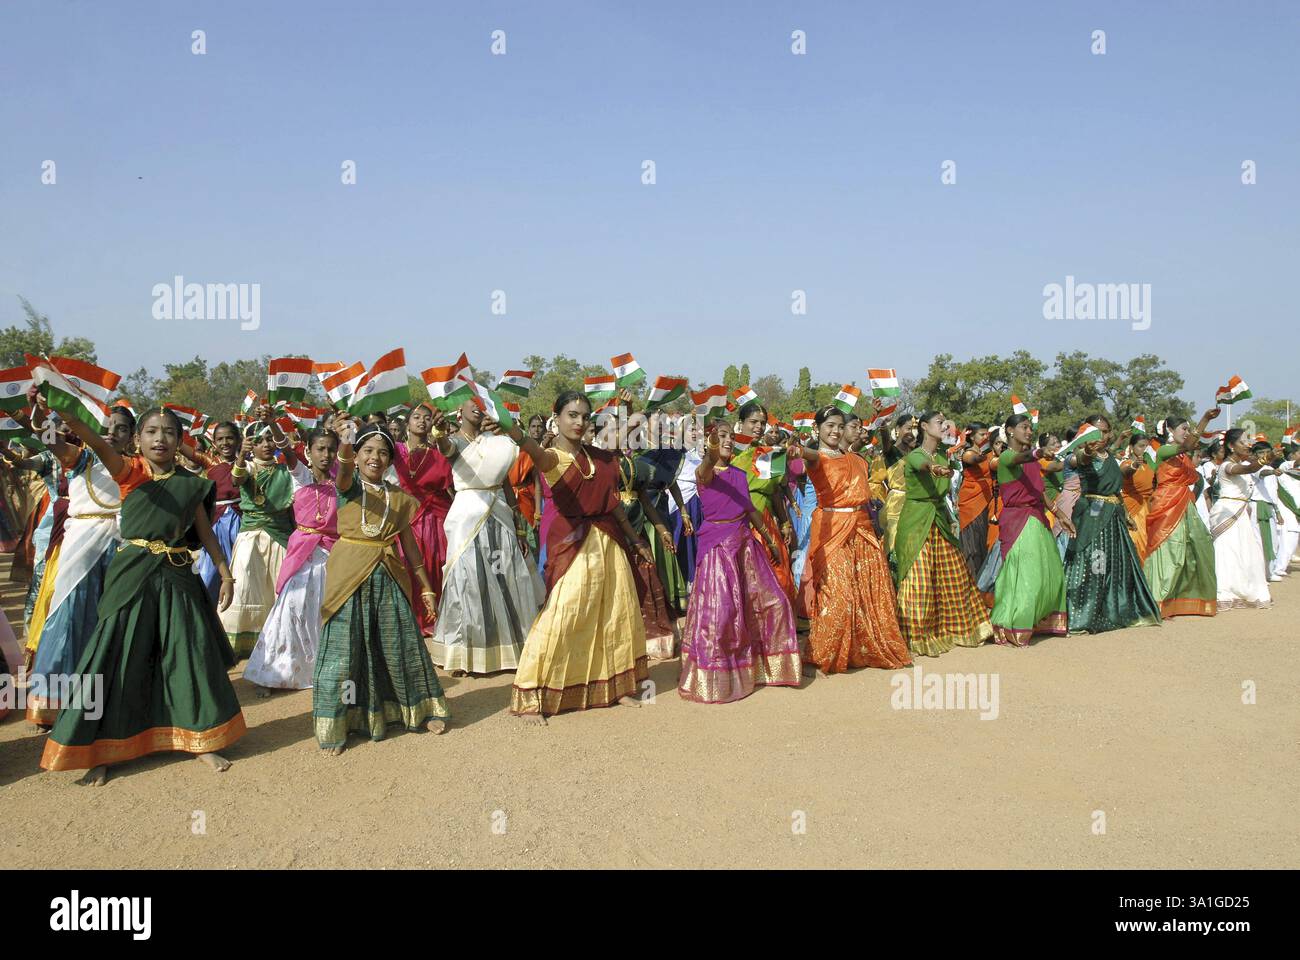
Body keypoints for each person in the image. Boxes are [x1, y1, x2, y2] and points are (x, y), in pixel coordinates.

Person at [36, 402, 245, 785]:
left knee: (186, 656)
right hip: (132, 575)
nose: (160, 439)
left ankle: (199, 739)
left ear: (181, 440)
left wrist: (226, 574)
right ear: (137, 440)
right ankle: (100, 749)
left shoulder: (191, 483)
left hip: (178, 576)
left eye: (168, 432)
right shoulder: (129, 471)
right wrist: (67, 417)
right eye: (151, 432)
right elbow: (97, 444)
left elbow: (206, 532)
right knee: (118, 657)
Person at [506, 391, 654, 720]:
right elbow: (531, 450)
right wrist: (513, 431)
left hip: (609, 545)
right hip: (571, 545)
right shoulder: (551, 457)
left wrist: (636, 541)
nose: (579, 422)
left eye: (584, 416)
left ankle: (616, 686)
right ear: (555, 417)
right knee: (562, 613)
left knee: (615, 616)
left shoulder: (598, 457)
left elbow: (613, 504)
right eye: (571, 415)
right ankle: (533, 692)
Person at [313, 417, 450, 754]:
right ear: (357, 456)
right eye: (368, 451)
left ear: (391, 460)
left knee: (401, 645)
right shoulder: (346, 488)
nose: (375, 457)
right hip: (348, 578)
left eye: (384, 453)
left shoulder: (399, 498)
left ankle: (419, 709)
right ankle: (342, 719)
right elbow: (343, 472)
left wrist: (427, 588)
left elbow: (411, 548)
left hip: (388, 574)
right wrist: (344, 443)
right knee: (347, 653)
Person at [23, 404, 133, 724]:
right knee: (70, 616)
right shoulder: (81, 457)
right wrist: (38, 414)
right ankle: (54, 707)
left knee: (112, 620)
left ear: (132, 437)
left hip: (121, 544)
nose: (112, 432)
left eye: (121, 428)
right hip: (80, 544)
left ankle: (110, 701)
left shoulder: (137, 465)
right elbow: (48, 440)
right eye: (107, 426)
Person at [678, 421, 800, 702]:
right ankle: (716, 677)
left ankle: (765, 668)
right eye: (722, 437)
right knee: (722, 614)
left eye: (731, 436)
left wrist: (770, 540)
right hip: (718, 547)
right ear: (710, 441)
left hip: (745, 542)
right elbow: (707, 464)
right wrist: (710, 450)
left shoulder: (739, 474)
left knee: (773, 602)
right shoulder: (705, 474)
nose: (729, 440)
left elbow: (749, 510)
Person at [789, 406, 911, 673]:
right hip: (831, 529)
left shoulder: (857, 460)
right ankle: (824, 652)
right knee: (839, 592)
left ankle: (859, 650)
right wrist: (797, 450)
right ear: (817, 430)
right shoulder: (817, 457)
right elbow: (807, 454)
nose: (834, 430)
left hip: (862, 529)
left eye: (838, 426)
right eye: (829, 426)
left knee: (869, 593)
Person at [426, 399, 544, 676]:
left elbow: (504, 481)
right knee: (468, 580)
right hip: (468, 515)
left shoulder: (496, 441)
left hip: (499, 511)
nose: (477, 408)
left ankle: (509, 648)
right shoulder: (453, 439)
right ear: (460, 411)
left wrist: (518, 525)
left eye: (480, 404)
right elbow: (446, 450)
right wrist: (439, 433)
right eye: (471, 404)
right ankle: (464, 655)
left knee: (505, 577)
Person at [243, 428, 340, 694]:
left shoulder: (341, 483)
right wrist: (274, 425)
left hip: (331, 552)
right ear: (308, 451)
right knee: (290, 609)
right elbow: (287, 450)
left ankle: (317, 670)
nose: (326, 454)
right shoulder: (301, 477)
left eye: (331, 449)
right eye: (320, 448)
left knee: (323, 610)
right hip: (303, 553)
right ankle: (270, 674)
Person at [893, 411, 993, 655]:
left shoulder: (943, 456)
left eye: (946, 423)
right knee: (919, 578)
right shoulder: (919, 455)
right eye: (940, 423)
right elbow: (922, 464)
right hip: (916, 520)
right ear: (925, 426)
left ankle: (957, 629)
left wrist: (950, 519)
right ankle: (915, 636)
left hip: (938, 517)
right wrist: (934, 469)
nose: (945, 426)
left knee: (954, 575)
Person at [1064, 415, 1161, 632]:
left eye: (1106, 432)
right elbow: (1083, 458)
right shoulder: (1081, 454)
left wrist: (1125, 512)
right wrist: (1088, 449)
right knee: (1096, 562)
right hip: (1093, 515)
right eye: (1097, 432)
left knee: (1115, 564)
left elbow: (1116, 487)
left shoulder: (1110, 456)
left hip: (1113, 516)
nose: (1103, 436)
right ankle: (1087, 613)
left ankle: (1110, 609)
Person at [989, 414, 1074, 646]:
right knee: (1025, 574)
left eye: (1030, 428)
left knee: (1051, 572)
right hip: (1018, 521)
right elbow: (1022, 457)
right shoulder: (1007, 456)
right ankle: (1014, 626)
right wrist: (1037, 453)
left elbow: (1040, 492)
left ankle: (1041, 622)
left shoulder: (1033, 463)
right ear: (1009, 430)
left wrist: (1060, 515)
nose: (1028, 431)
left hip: (1037, 519)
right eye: (1023, 427)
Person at [220, 416, 298, 656]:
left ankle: (279, 646)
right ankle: (240, 650)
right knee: (243, 588)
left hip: (280, 537)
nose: (266, 444)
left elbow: (294, 460)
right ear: (250, 445)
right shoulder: (248, 467)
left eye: (269, 439)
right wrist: (241, 456)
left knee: (278, 591)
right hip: (251, 538)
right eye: (259, 441)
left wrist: (274, 424)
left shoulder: (286, 472)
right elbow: (236, 479)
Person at [1143, 409, 1221, 618]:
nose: (1187, 432)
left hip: (1185, 503)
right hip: (1167, 502)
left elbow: (1191, 447)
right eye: (1184, 429)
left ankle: (1183, 600)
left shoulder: (1183, 456)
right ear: (1169, 430)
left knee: (1200, 544)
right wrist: (1204, 420)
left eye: (1189, 429)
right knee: (1171, 549)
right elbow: (1188, 445)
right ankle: (1157, 600)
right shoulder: (1164, 451)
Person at [391, 403, 454, 636]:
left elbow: (450, 488)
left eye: (427, 418)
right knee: (407, 566)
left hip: (434, 517)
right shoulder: (395, 451)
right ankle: (410, 618)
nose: (421, 421)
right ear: (406, 423)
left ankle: (434, 617)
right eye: (416, 417)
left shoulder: (438, 454)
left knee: (435, 565)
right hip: (406, 516)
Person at [731, 400, 796, 602]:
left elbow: (775, 491)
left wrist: (785, 522)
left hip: (764, 518)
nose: (759, 427)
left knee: (774, 570)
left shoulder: (769, 453)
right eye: (753, 422)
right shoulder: (729, 451)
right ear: (740, 423)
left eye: (762, 422)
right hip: (737, 519)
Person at [1207, 429, 1272, 609]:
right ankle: (1224, 591)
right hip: (1227, 512)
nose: (1247, 445)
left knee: (1247, 552)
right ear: (1230, 446)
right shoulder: (1227, 465)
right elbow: (1248, 469)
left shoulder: (1242, 462)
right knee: (1227, 552)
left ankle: (1242, 589)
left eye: (1247, 441)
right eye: (1242, 442)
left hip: (1241, 512)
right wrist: (1268, 457)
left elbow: (1251, 467)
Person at [193, 421, 244, 602]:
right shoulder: (210, 462)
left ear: (239, 440)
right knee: (210, 568)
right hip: (215, 522)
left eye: (229, 438)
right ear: (213, 443)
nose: (225, 443)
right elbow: (183, 449)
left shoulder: (246, 463)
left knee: (240, 566)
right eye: (220, 439)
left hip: (240, 520)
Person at [956, 423, 995, 579]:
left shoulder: (990, 454)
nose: (985, 437)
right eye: (982, 435)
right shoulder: (968, 453)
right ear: (972, 436)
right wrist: (985, 452)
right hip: (971, 501)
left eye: (987, 434)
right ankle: (971, 581)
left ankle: (983, 580)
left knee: (984, 539)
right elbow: (974, 459)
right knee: (973, 543)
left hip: (987, 499)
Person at [1121, 432, 1156, 556]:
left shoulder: (1148, 466)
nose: (1144, 449)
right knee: (1136, 546)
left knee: (1147, 547)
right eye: (1141, 446)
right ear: (1131, 447)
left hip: (1147, 510)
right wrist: (1135, 465)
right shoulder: (1126, 464)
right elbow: (1125, 473)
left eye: (1146, 446)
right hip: (1132, 511)